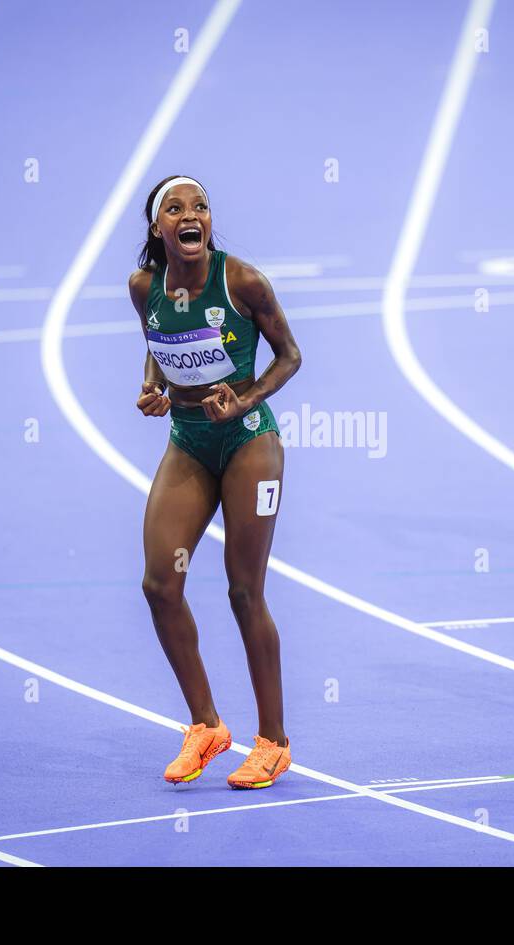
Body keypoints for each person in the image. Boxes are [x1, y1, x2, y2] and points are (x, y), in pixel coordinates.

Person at [129, 175, 302, 785]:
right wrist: (154, 387)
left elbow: (290, 355)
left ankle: (273, 741)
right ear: (159, 228)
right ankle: (206, 727)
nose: (191, 215)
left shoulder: (243, 282)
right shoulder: (144, 287)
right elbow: (158, 341)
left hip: (249, 440)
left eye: (200, 206)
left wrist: (245, 399)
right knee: (159, 584)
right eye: (176, 208)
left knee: (243, 591)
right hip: (189, 442)